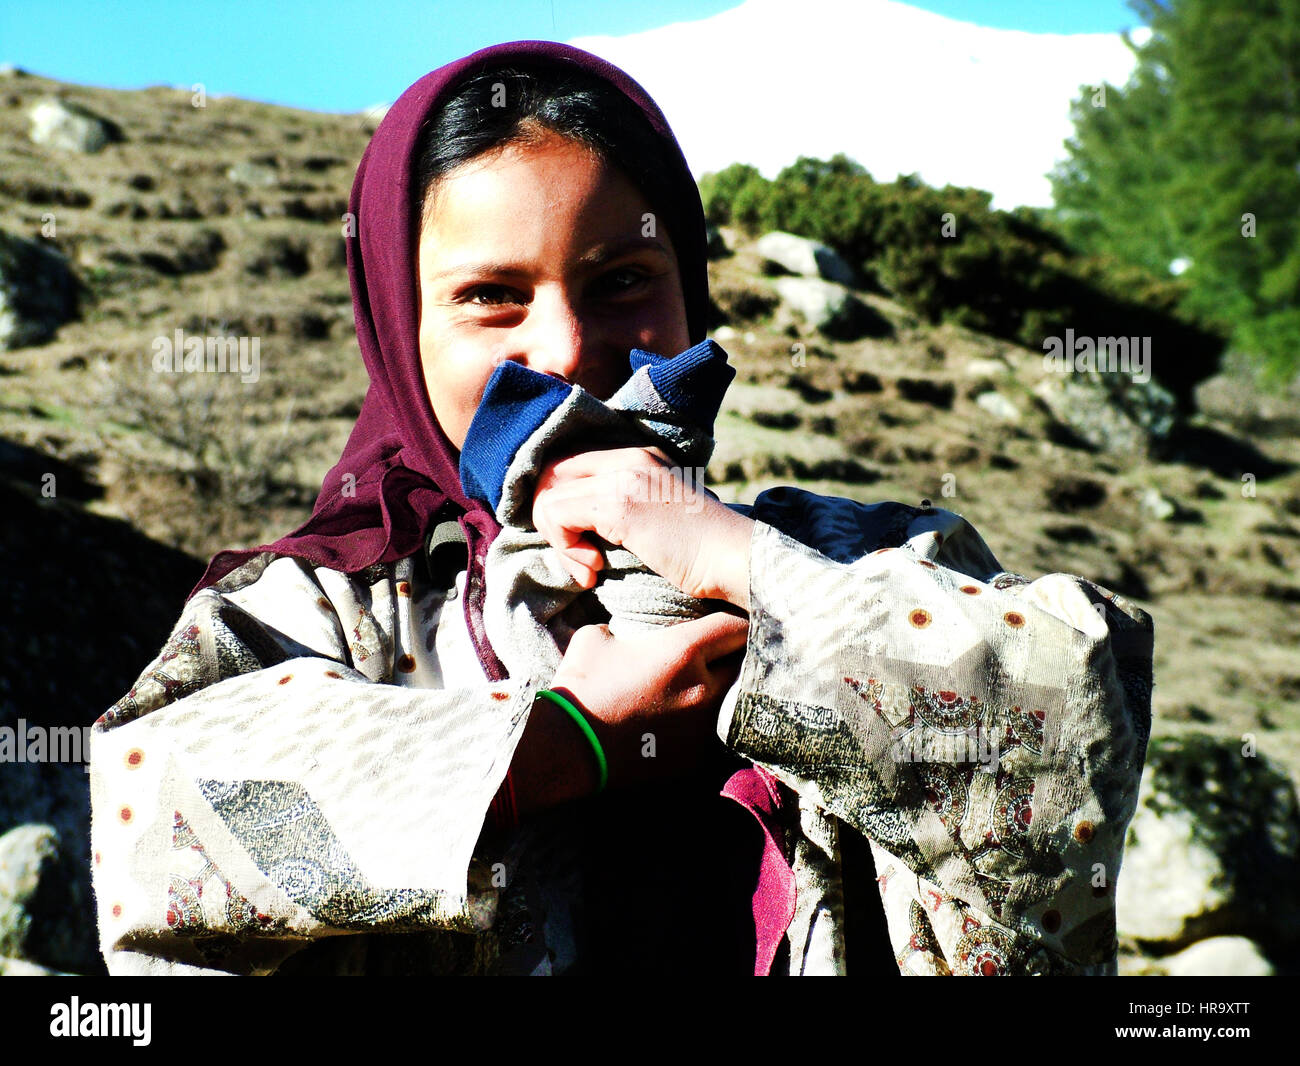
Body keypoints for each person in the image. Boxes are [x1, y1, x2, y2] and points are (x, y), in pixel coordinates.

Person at [89, 40, 1154, 976]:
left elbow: (1072, 713)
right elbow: (146, 829)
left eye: (621, 280)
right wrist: (569, 737)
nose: (566, 352)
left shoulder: (859, 558)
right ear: (401, 330)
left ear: (690, 288)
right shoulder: (321, 609)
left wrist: (742, 567)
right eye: (489, 296)